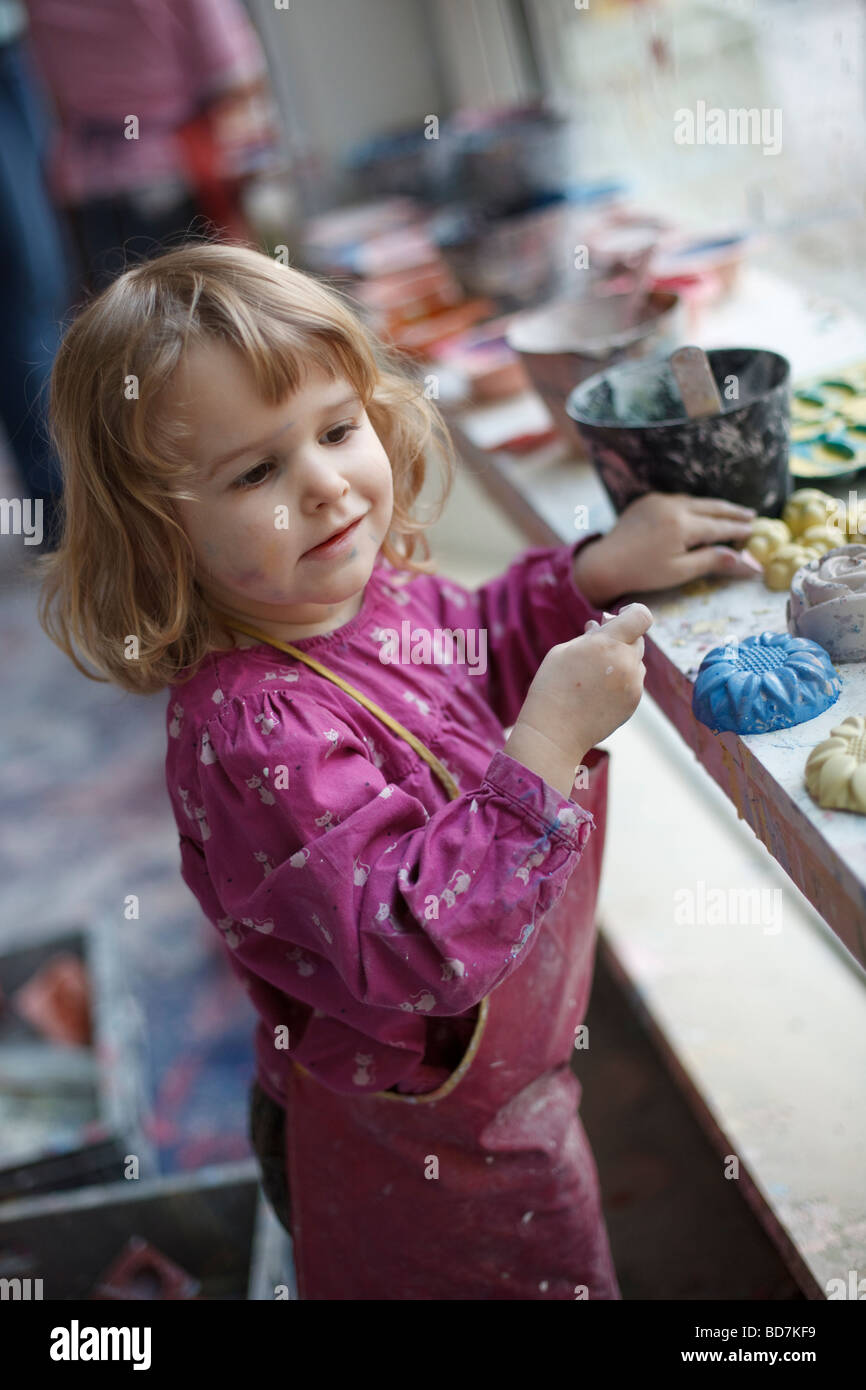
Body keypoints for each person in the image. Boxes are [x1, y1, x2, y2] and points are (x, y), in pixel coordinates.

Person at [35, 242, 761, 1300]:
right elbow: (413, 942)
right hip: (420, 1159)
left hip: (502, 1090)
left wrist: (592, 570)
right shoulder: (253, 732)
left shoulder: (363, 594)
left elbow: (477, 642)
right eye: (254, 472)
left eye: (336, 429)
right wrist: (545, 750)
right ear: (159, 536)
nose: (326, 486)